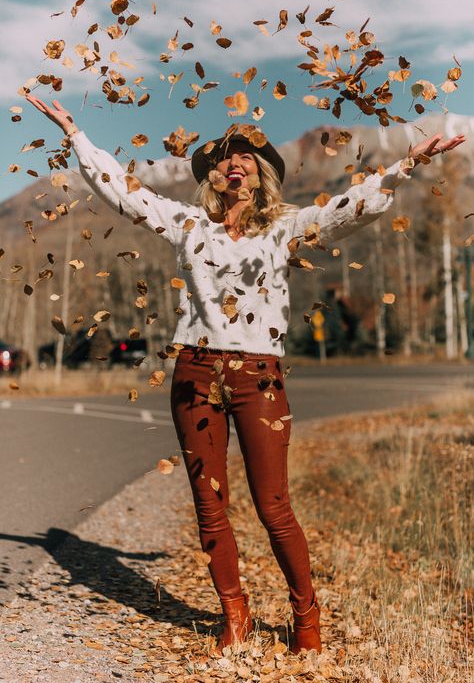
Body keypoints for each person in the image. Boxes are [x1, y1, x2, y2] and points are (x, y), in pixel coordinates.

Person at [26, 94, 465, 655]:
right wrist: (75, 134)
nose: (237, 163)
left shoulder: (284, 228)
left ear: (261, 177)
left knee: (274, 504)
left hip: (258, 376)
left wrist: (408, 162)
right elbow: (123, 192)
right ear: (214, 174)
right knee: (210, 505)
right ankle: (236, 615)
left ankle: (306, 614)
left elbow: (345, 210)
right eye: (227, 158)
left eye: (249, 158)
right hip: (194, 369)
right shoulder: (188, 224)